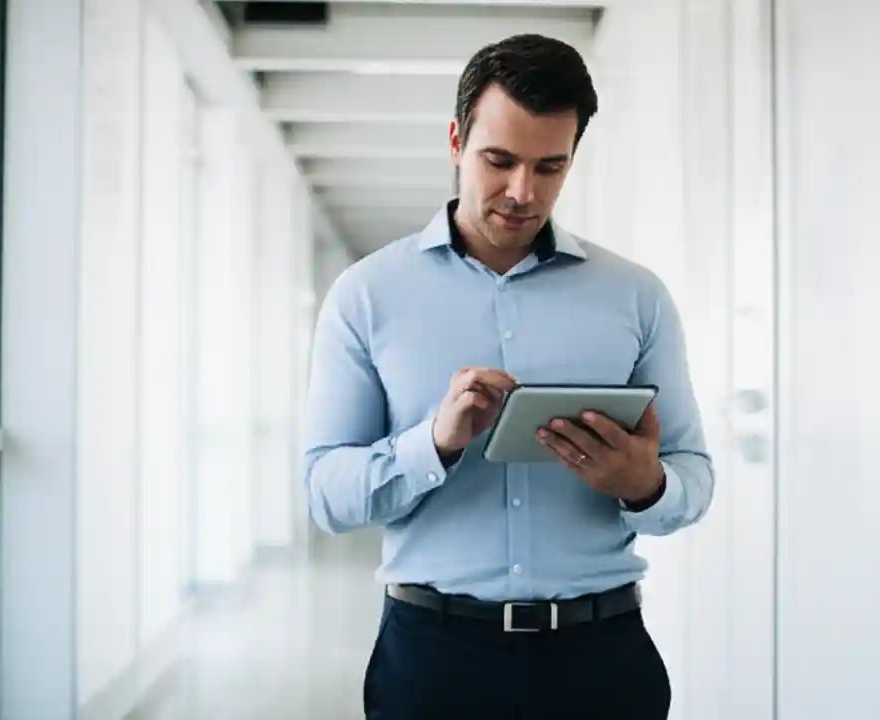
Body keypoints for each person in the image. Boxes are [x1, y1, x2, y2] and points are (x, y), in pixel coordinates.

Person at [301, 33, 714, 720]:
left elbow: (694, 476)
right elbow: (325, 494)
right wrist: (433, 442)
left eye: (550, 167)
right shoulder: (367, 294)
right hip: (433, 662)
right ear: (457, 139)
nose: (523, 192)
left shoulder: (636, 298)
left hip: (602, 659)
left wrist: (643, 484)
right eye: (500, 160)